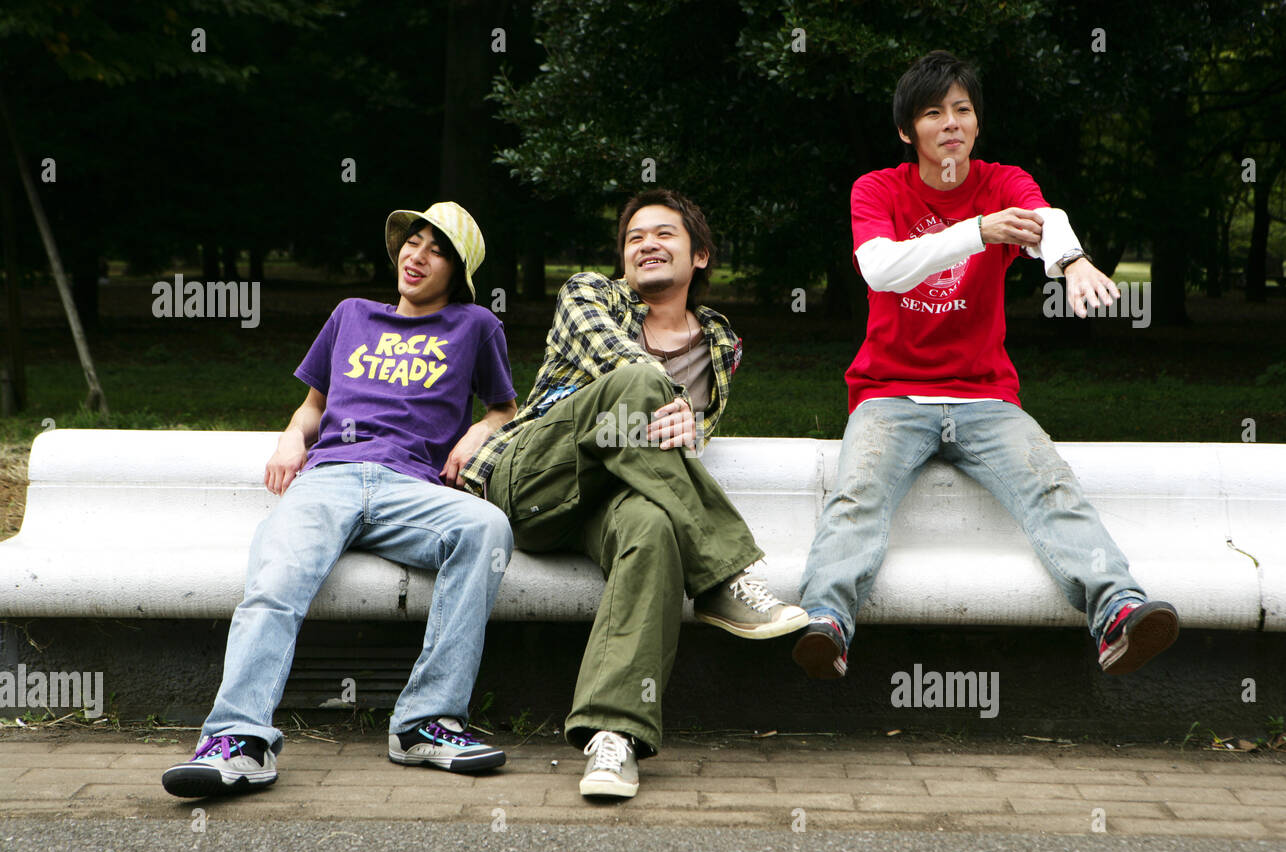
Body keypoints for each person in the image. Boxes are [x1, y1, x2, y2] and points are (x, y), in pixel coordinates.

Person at [793, 51, 1178, 681]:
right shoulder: (879, 188)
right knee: (856, 496)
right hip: (890, 395)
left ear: (977, 123)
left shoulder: (1002, 182)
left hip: (985, 396)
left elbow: (1044, 219)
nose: (951, 122)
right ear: (906, 131)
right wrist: (979, 231)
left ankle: (1117, 611)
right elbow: (880, 267)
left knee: (1051, 484)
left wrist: (1072, 262)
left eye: (963, 109)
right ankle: (826, 624)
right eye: (933, 112)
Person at [459, 189, 807, 799]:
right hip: (538, 477)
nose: (646, 244)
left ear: (700, 255)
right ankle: (724, 579)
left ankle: (613, 738)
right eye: (634, 237)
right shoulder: (588, 294)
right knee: (638, 378)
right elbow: (618, 363)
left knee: (652, 526)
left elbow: (684, 440)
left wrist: (690, 427)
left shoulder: (722, 344)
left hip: (616, 501)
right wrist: (666, 399)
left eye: (664, 234)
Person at [163, 201, 517, 798]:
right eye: (413, 241)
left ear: (457, 272)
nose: (417, 254)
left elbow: (504, 408)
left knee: (486, 529)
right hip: (328, 478)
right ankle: (237, 740)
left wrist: (479, 432)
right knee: (277, 577)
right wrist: (289, 440)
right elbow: (313, 406)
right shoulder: (352, 314)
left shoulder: (475, 325)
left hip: (412, 487)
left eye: (437, 249)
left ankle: (426, 723)